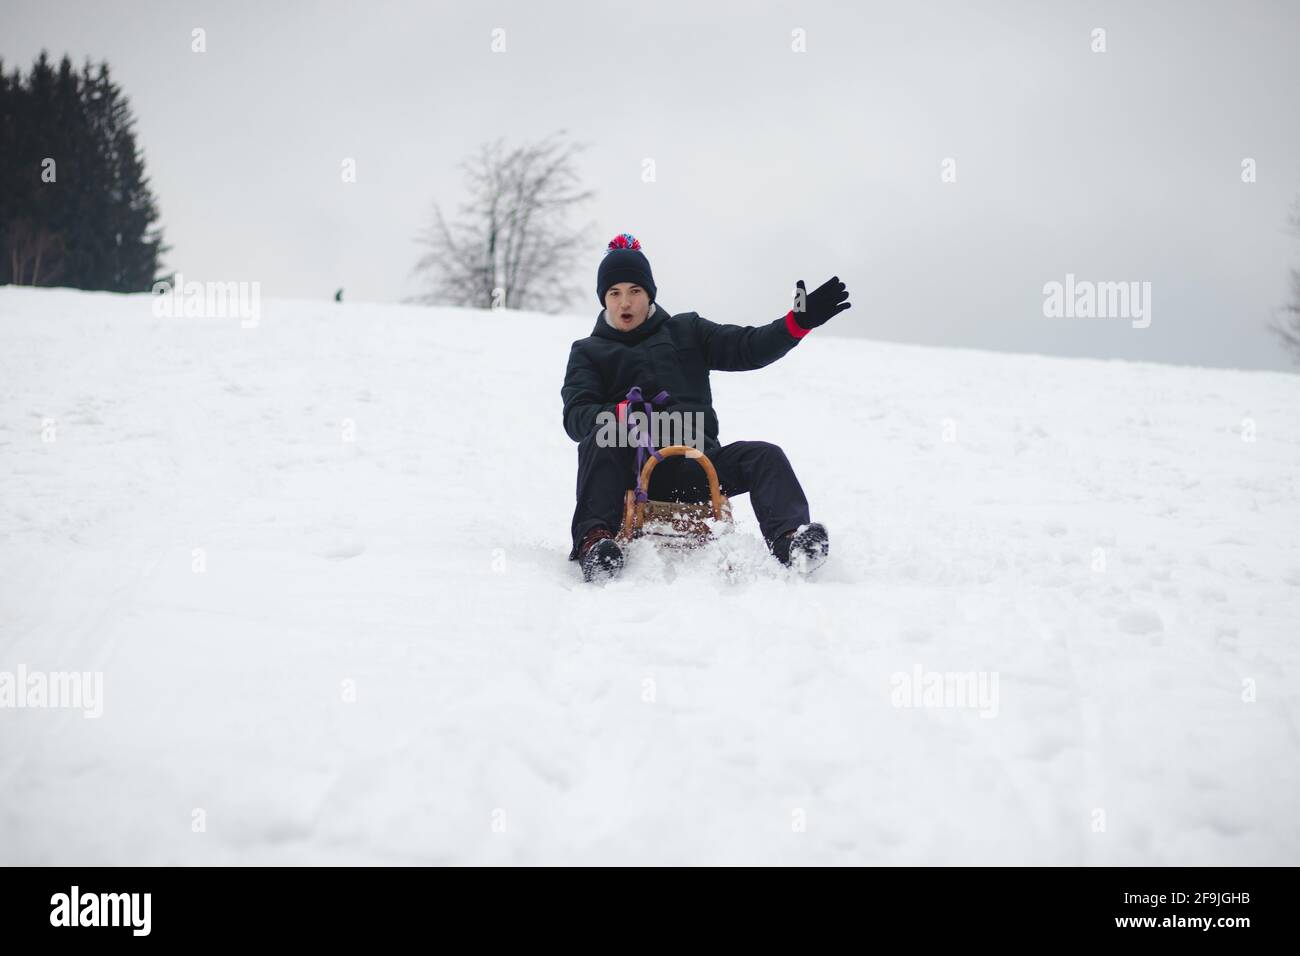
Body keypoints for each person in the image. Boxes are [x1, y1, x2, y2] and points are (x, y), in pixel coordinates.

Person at [561, 233, 851, 581]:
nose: (625, 302)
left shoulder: (687, 331)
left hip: (697, 468)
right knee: (599, 438)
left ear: (649, 294)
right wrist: (622, 413)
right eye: (614, 293)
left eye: (635, 291)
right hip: (632, 471)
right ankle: (595, 542)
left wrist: (795, 324)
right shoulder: (589, 351)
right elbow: (576, 417)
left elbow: (748, 347)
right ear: (604, 300)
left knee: (764, 456)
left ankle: (791, 542)